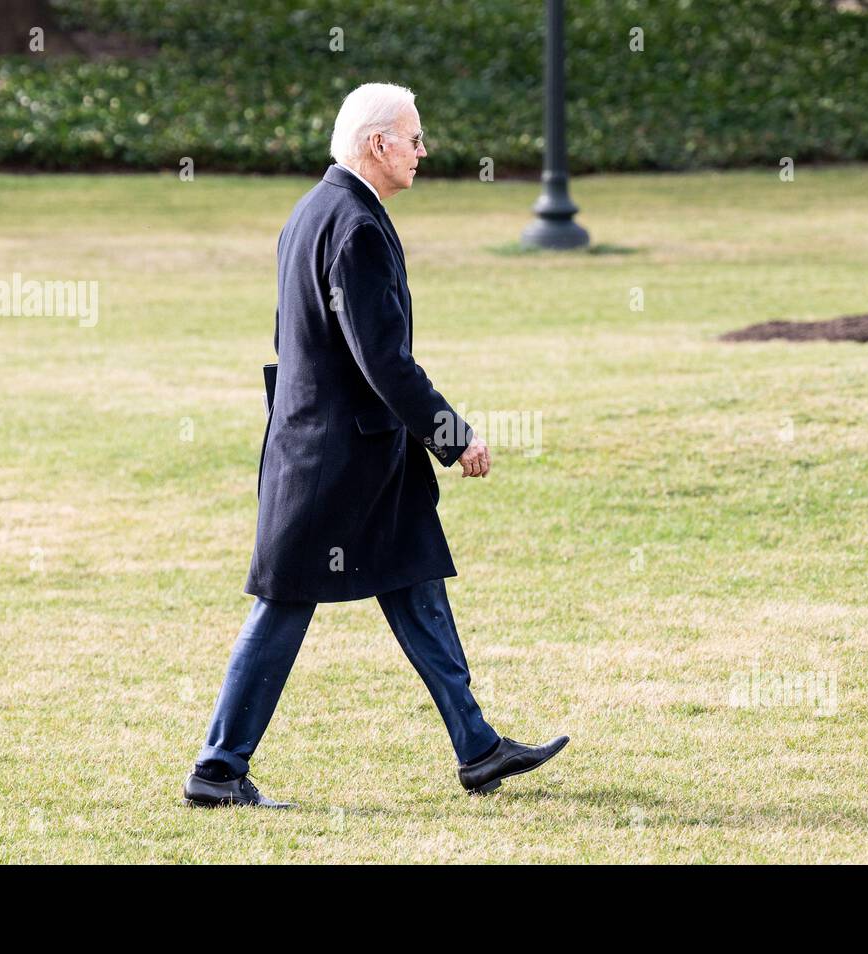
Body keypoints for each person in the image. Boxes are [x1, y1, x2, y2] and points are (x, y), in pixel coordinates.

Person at [184, 83, 568, 808]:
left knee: (416, 580)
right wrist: (454, 437)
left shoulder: (312, 212)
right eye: (414, 139)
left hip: (348, 455)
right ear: (376, 143)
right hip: (333, 462)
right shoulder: (354, 225)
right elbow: (382, 360)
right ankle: (217, 771)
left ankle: (478, 748)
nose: (423, 152)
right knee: (284, 604)